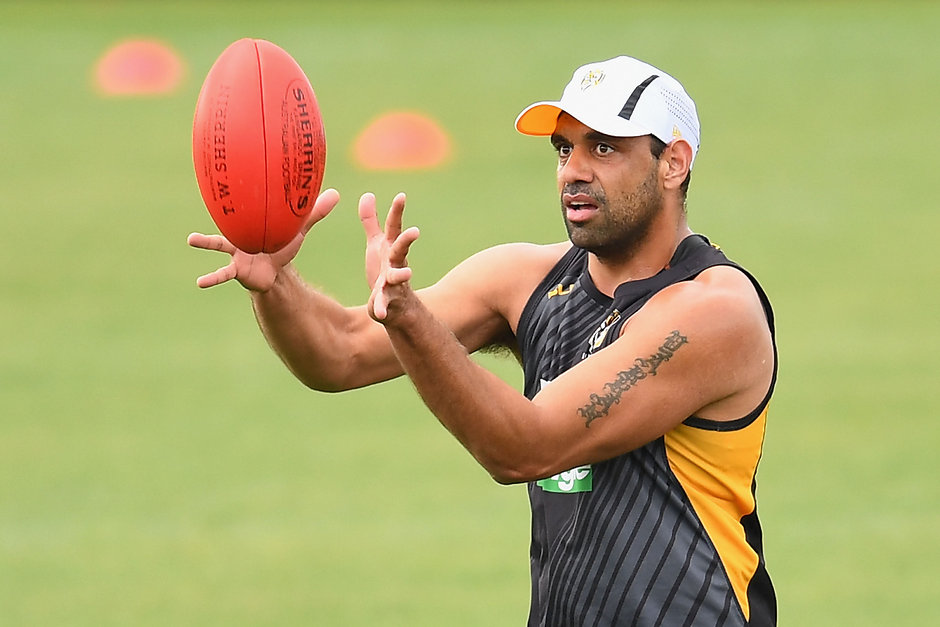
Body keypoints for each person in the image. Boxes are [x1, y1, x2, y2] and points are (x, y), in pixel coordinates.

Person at [189, 55, 777, 626]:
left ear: (673, 163)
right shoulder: (525, 280)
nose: (573, 169)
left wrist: (408, 317)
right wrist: (273, 281)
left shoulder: (714, 313)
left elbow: (526, 448)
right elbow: (339, 351)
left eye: (603, 147)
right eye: (563, 148)